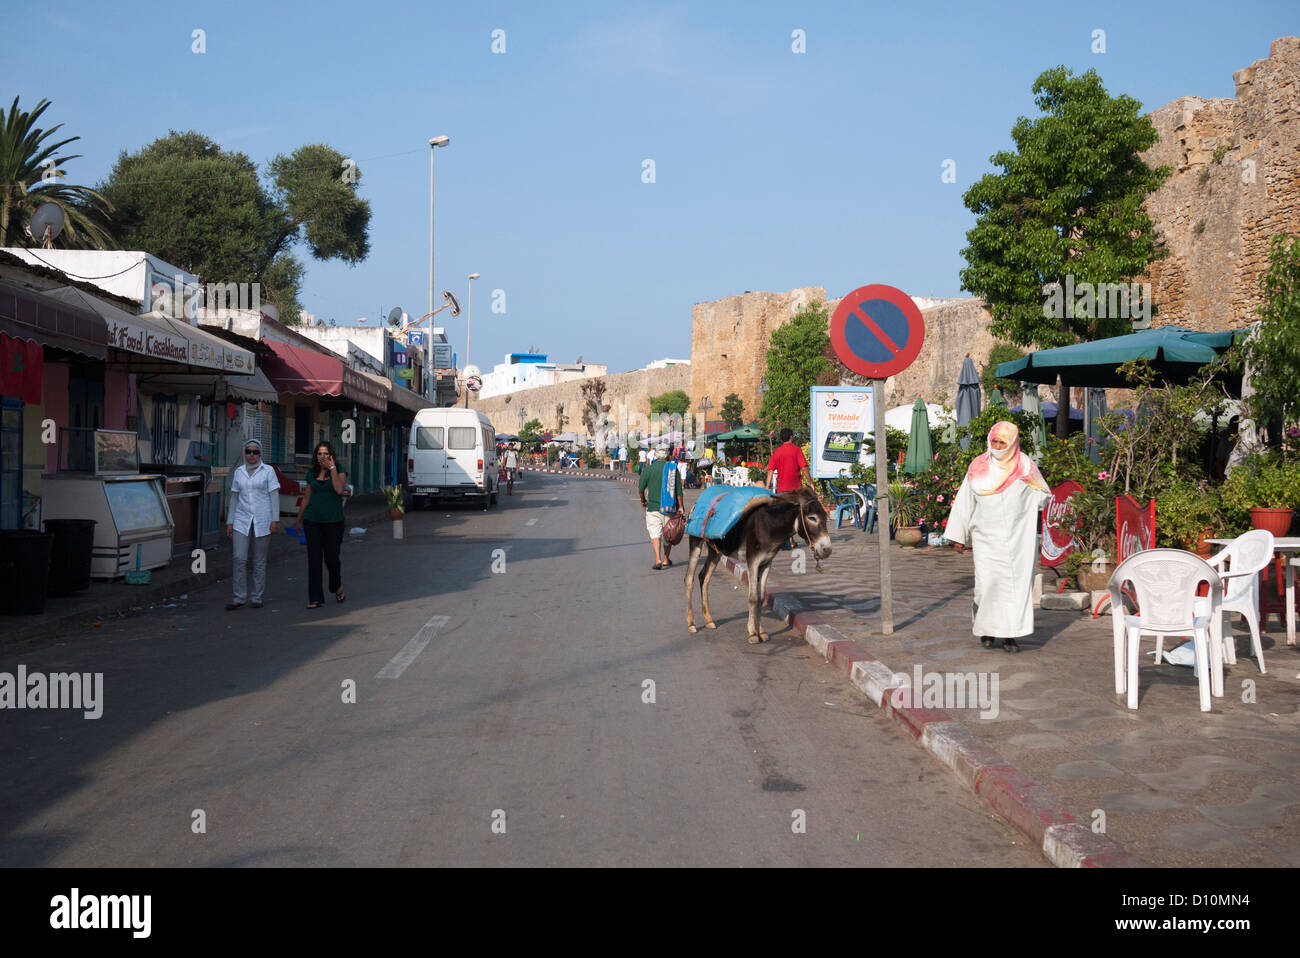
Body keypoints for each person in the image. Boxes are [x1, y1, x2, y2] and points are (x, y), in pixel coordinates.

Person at [944, 421, 1051, 654]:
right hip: (986, 538)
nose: (998, 445)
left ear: (1012, 442)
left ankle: (1011, 635)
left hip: (1018, 540)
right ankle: (987, 630)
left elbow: (1043, 494)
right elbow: (965, 501)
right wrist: (958, 536)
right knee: (987, 585)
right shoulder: (978, 466)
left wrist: (1028, 494)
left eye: (1003, 442)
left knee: (1015, 588)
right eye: (995, 441)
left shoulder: (1025, 465)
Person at [226, 438, 279, 610]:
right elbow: (234, 498)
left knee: (259, 560)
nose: (251, 455)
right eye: (248, 451)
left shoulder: (268, 471)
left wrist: (274, 519)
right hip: (241, 520)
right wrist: (230, 522)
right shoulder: (239, 472)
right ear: (244, 453)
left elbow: (274, 496)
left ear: (260, 454)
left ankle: (257, 596)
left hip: (263, 520)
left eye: (255, 451)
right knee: (239, 558)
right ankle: (239, 597)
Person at [297, 441, 349, 609]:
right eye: (319, 453)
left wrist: (332, 469)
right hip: (312, 521)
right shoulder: (311, 473)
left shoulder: (339, 470)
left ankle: (336, 586)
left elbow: (339, 490)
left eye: (326, 453)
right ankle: (315, 598)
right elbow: (306, 497)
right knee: (314, 560)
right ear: (316, 456)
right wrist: (299, 519)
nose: (323, 456)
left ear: (331, 455)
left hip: (333, 522)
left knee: (332, 559)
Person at [638, 446, 684, 571]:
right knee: (668, 534)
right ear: (668, 456)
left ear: (655, 456)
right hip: (669, 508)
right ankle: (665, 559)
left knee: (655, 534)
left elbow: (641, 489)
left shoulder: (648, 469)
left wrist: (643, 501)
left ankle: (658, 559)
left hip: (653, 507)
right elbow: (679, 491)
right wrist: (680, 507)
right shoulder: (673, 470)